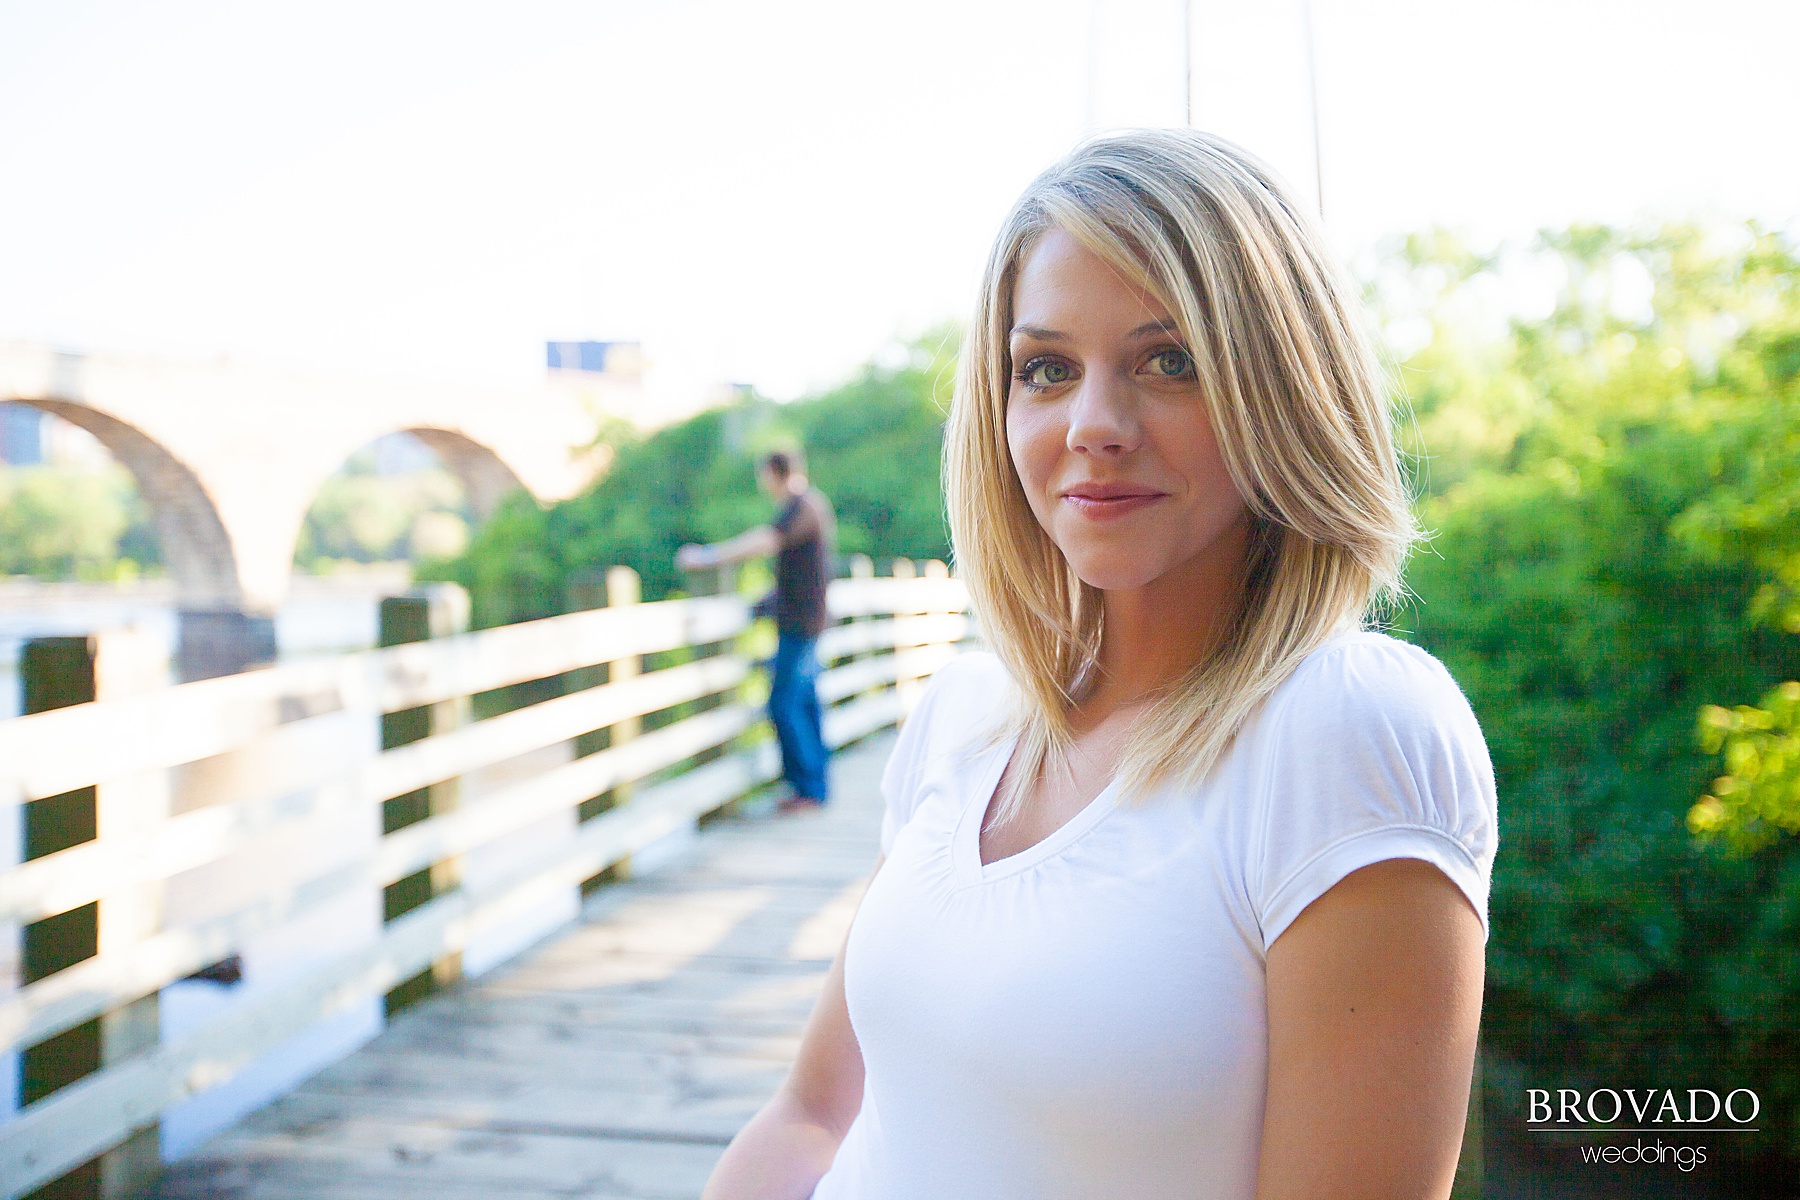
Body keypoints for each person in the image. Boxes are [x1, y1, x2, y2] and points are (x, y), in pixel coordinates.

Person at [701, 129, 1497, 1200]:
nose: (1095, 425)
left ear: (1283, 390)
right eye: (1047, 369)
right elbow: (813, 1116)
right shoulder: (965, 715)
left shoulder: (1344, 730)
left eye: (1170, 361)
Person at [678, 449, 837, 812]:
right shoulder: (812, 504)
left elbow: (768, 540)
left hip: (802, 624)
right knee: (804, 702)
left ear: (773, 474)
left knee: (784, 703)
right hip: (807, 619)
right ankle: (815, 787)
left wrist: (708, 557)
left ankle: (807, 789)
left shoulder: (801, 506)